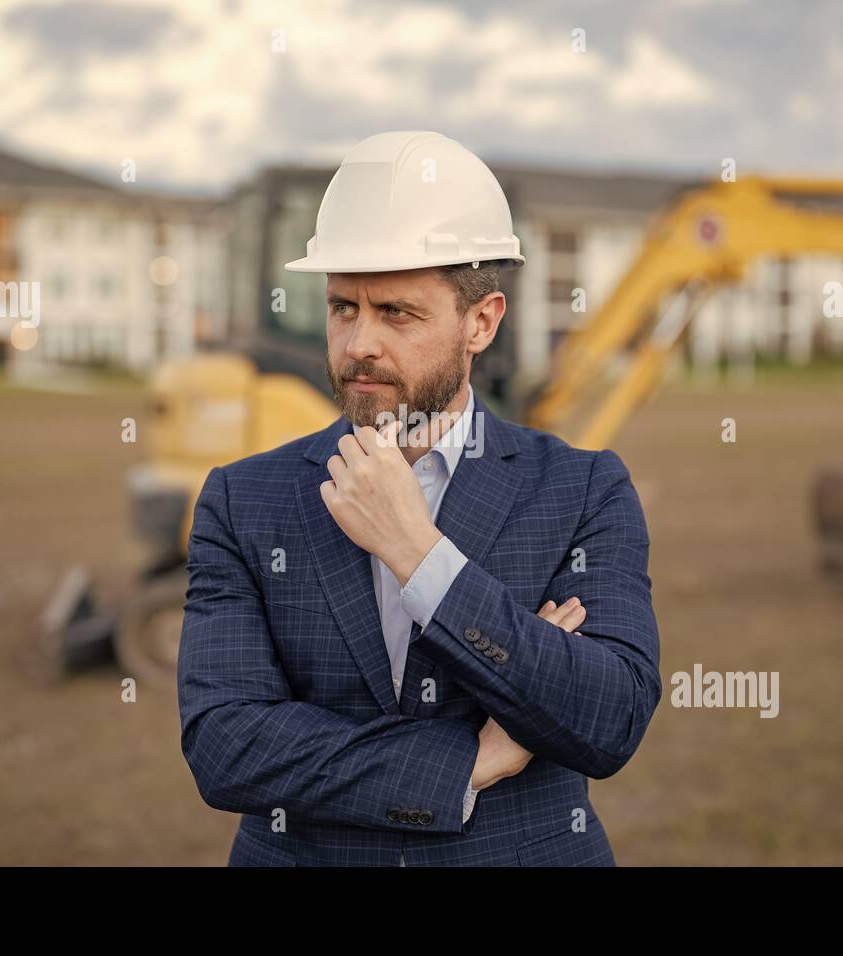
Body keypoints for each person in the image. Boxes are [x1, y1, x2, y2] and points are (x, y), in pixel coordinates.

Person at [178, 131, 661, 866]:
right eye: (344, 308)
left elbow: (608, 716)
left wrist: (419, 554)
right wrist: (466, 764)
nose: (358, 344)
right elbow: (227, 744)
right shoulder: (243, 501)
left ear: (482, 321)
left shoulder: (583, 489)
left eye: (397, 313)